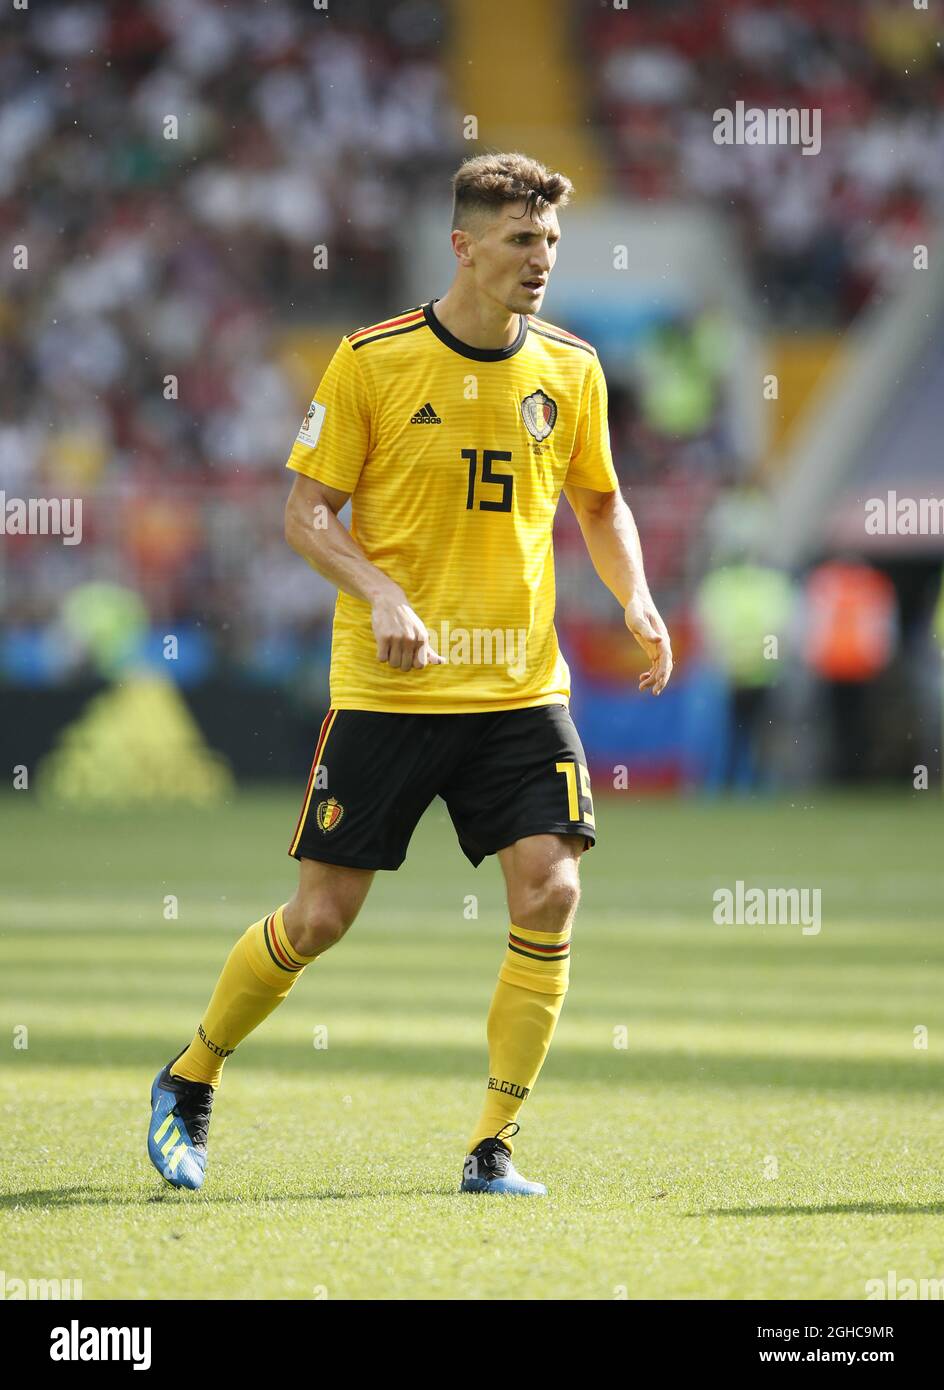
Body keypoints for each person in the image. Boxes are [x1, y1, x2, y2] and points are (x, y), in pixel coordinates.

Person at [147, 152, 673, 1196]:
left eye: (551, 242)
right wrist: (383, 594)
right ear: (462, 246)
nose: (541, 260)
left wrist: (634, 595)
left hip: (521, 687)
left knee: (552, 887)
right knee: (319, 920)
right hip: (391, 690)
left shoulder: (571, 368)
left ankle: (492, 1145)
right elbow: (304, 514)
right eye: (521, 240)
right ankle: (191, 1072)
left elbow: (599, 504)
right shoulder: (370, 360)